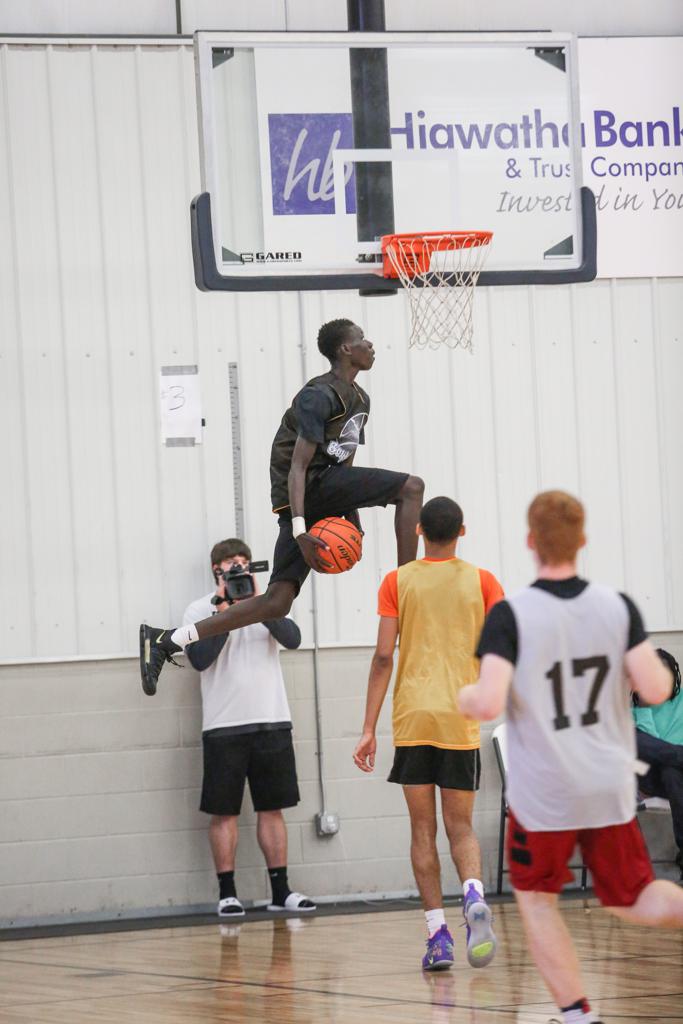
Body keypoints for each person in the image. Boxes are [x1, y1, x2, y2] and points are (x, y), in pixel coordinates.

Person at [458, 490, 683, 1024]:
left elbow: (487, 701)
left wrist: (465, 696)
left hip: (546, 795)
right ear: (582, 541)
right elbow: (655, 688)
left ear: (530, 542)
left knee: (537, 900)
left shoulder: (509, 615)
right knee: (636, 897)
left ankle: (578, 1011)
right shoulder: (617, 606)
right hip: (607, 783)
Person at [140, 318, 424, 695]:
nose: (370, 345)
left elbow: (347, 466)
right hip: (305, 491)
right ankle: (410, 587)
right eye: (362, 340)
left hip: (324, 493)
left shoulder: (360, 400)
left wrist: (351, 521)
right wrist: (300, 528)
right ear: (345, 349)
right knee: (411, 487)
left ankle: (168, 639)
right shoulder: (318, 396)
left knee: (277, 603)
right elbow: (298, 467)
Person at [353, 496, 503, 972]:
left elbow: (382, 657)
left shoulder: (398, 580)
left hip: (413, 717)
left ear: (418, 529)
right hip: (460, 718)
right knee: (461, 827)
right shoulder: (484, 581)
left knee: (423, 829)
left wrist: (367, 729)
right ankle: (474, 895)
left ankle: (438, 935)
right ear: (463, 530)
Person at [184, 537, 315, 917]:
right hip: (224, 724)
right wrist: (225, 611)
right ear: (217, 571)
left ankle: (281, 890)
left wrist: (261, 604)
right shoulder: (198, 609)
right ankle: (228, 893)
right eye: (231, 564)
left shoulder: (269, 603)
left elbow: (292, 639)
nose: (238, 569)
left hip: (271, 718)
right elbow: (200, 659)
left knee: (272, 809)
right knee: (223, 812)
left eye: (244, 563)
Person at [632, 648, 683, 880]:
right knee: (633, 737)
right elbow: (649, 749)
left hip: (676, 778)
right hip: (647, 776)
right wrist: (644, 707)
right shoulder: (635, 709)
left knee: (671, 771)